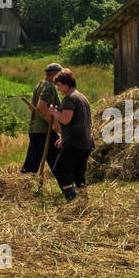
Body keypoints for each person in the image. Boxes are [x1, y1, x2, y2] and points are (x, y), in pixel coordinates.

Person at [48, 68, 93, 201]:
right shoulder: (81, 97)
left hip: (75, 143)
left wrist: (54, 112)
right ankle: (84, 199)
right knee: (78, 174)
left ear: (66, 84)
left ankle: (72, 200)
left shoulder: (70, 99)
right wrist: (64, 138)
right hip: (86, 141)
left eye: (59, 85)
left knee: (60, 170)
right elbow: (77, 122)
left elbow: (66, 119)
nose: (59, 89)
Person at [21, 62, 61, 174]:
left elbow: (32, 108)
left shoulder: (39, 85)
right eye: (60, 75)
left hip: (35, 130)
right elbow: (41, 107)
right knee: (59, 163)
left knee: (30, 166)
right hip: (45, 132)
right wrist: (54, 123)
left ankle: (24, 188)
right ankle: (69, 189)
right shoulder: (49, 88)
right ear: (54, 75)